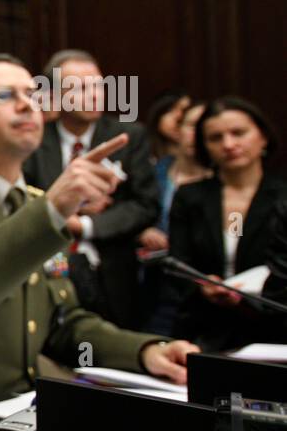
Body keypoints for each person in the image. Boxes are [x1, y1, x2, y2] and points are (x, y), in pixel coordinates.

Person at [0, 54, 198, 414]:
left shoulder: (36, 206)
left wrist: (145, 352)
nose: (27, 104)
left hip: (15, 414)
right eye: (3, 95)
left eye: (32, 94)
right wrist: (50, 211)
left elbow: (64, 323)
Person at [23, 50, 160, 329]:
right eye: (80, 88)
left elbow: (145, 205)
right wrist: (64, 211)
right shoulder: (34, 141)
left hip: (111, 270)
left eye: (99, 86)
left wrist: (84, 225)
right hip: (51, 264)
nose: (94, 95)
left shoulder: (127, 136)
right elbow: (23, 199)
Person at [168, 97, 287, 350]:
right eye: (216, 138)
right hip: (205, 328)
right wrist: (203, 286)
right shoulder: (190, 197)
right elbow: (178, 265)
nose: (229, 144)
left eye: (238, 133)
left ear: (263, 137)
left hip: (272, 328)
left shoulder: (283, 196)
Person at [138, 93, 211, 334]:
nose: (197, 135)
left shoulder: (223, 182)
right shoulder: (151, 172)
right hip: (153, 287)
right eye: (191, 126)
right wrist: (142, 230)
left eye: (205, 128)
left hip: (204, 288)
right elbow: (130, 211)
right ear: (177, 129)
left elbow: (236, 234)